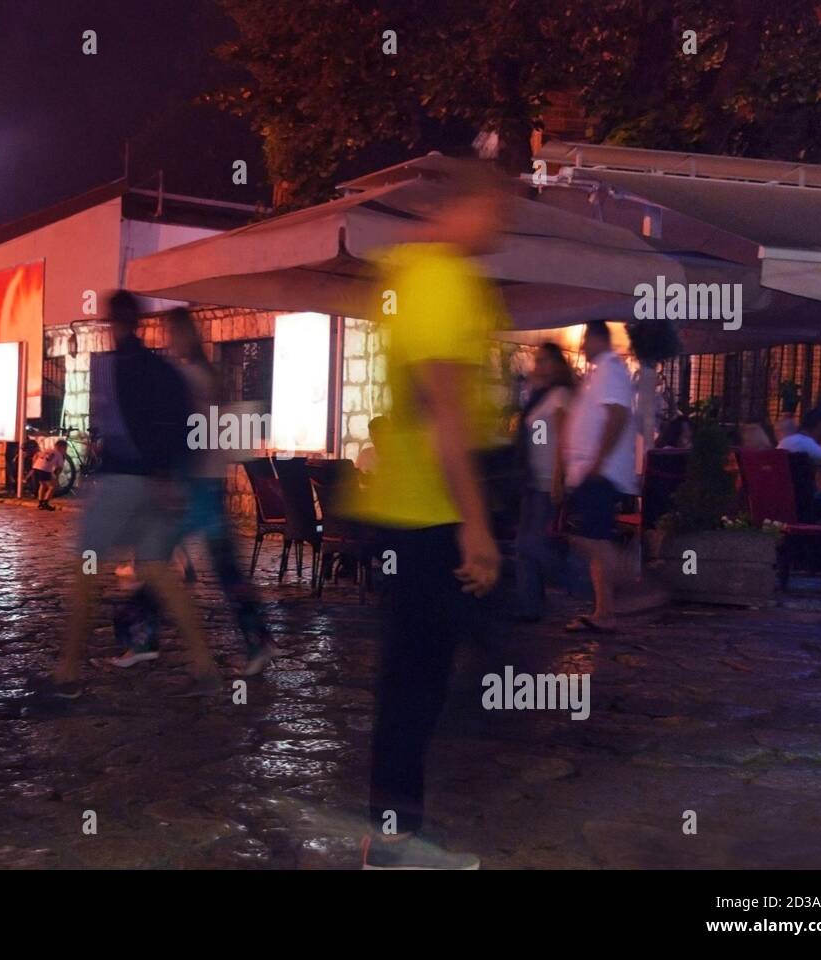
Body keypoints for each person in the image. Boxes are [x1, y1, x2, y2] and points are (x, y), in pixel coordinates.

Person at [343, 165, 506, 870]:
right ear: (461, 206)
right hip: (432, 514)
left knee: (419, 675)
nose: (501, 222)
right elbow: (442, 409)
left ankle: (395, 829)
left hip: (412, 511)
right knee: (418, 680)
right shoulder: (441, 282)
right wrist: (475, 522)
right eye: (494, 206)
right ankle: (393, 839)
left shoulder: (414, 276)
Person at [50, 290, 221, 699]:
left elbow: (122, 424)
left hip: (121, 480)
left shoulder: (113, 367)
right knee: (159, 572)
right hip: (160, 486)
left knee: (86, 569)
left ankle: (69, 672)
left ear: (112, 323)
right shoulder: (165, 371)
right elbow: (186, 425)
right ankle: (204, 663)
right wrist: (171, 475)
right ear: (141, 322)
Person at [102, 307, 282, 676]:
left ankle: (139, 640)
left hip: (190, 486)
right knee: (214, 568)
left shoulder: (183, 377)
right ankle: (257, 640)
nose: (168, 340)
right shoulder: (209, 375)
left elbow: (174, 431)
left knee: (153, 564)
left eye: (172, 333)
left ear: (181, 336)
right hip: (209, 483)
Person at [560, 320, 637, 635]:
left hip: (599, 472)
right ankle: (604, 612)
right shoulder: (600, 373)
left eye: (584, 340)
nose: (581, 347)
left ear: (596, 338)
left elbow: (617, 415)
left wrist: (598, 460)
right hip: (591, 470)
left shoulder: (610, 369)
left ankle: (640, 584)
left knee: (584, 537)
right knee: (595, 538)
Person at [514, 342, 574, 622]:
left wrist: (559, 479)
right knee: (523, 547)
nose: (537, 366)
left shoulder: (561, 395)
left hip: (548, 480)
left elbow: (564, 439)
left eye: (542, 361)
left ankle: (583, 584)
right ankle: (529, 606)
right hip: (532, 478)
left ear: (556, 364)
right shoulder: (539, 396)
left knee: (533, 545)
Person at [778, 408, 821, 493]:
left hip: (782, 497)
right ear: (820, 425)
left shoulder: (784, 442)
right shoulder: (816, 450)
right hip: (805, 502)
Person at [29, 439, 67, 510]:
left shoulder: (47, 450)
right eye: (65, 449)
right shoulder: (59, 454)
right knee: (52, 487)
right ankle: (45, 503)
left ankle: (40, 503)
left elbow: (36, 456)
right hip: (45, 470)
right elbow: (60, 468)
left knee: (42, 485)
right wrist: (56, 478)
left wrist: (34, 465)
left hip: (36, 468)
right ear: (62, 447)